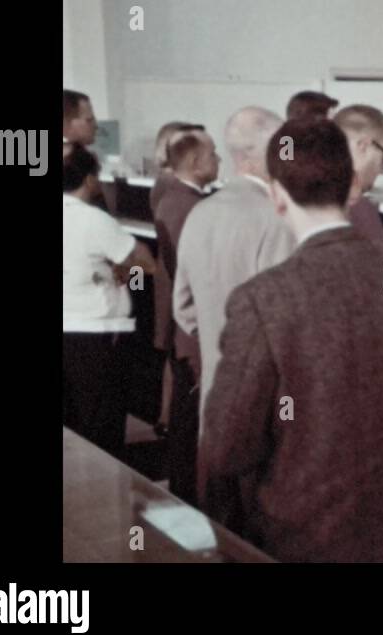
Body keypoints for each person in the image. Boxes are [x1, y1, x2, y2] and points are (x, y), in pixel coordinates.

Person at [201, 119, 383, 562]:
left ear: (276, 195)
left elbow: (227, 446)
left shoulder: (264, 298)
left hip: (302, 536)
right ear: (351, 185)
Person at [173, 106, 295, 474]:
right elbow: (285, 319)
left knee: (221, 517)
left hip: (214, 392)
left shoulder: (201, 212)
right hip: (266, 401)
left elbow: (183, 307)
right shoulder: (277, 218)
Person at [63, 144, 155, 457]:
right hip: (98, 333)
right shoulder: (94, 220)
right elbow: (145, 264)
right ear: (90, 180)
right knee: (102, 425)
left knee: (71, 425)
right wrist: (130, 275)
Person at [153, 128, 219, 504]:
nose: (219, 160)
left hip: (180, 324)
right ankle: (189, 489)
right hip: (191, 327)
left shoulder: (173, 198)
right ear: (194, 162)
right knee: (189, 413)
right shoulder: (189, 206)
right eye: (213, 154)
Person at [333, 104, 383, 247]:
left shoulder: (300, 194)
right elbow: (380, 267)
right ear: (363, 146)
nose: (382, 171)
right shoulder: (358, 208)